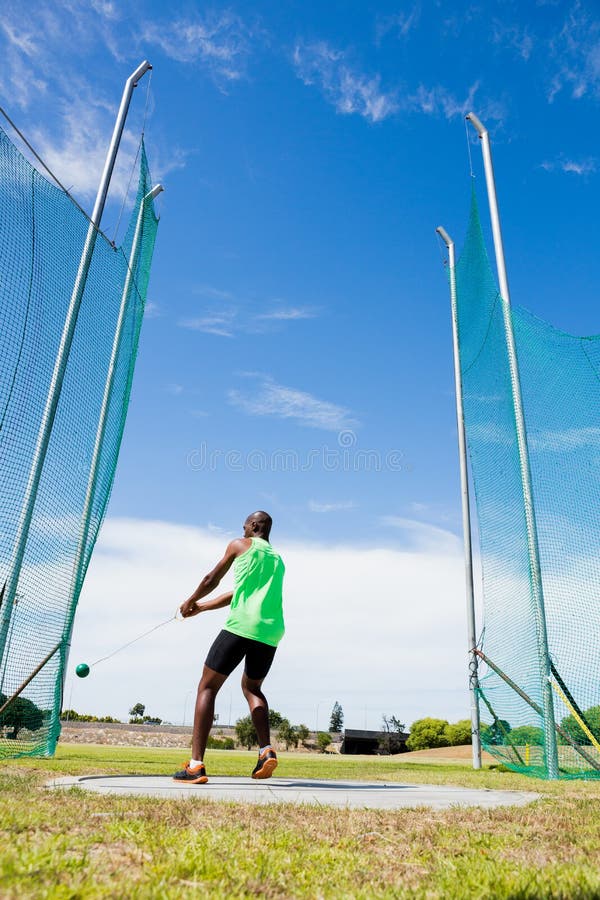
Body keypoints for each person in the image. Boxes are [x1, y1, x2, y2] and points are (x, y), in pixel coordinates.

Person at [173, 511, 285, 784]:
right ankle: (265, 750)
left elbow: (212, 578)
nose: (243, 528)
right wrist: (201, 608)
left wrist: (191, 599)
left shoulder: (240, 545)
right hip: (270, 631)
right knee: (252, 688)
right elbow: (238, 594)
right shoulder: (277, 559)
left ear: (255, 525)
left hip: (241, 627)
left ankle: (196, 766)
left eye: (246, 525)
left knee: (207, 687)